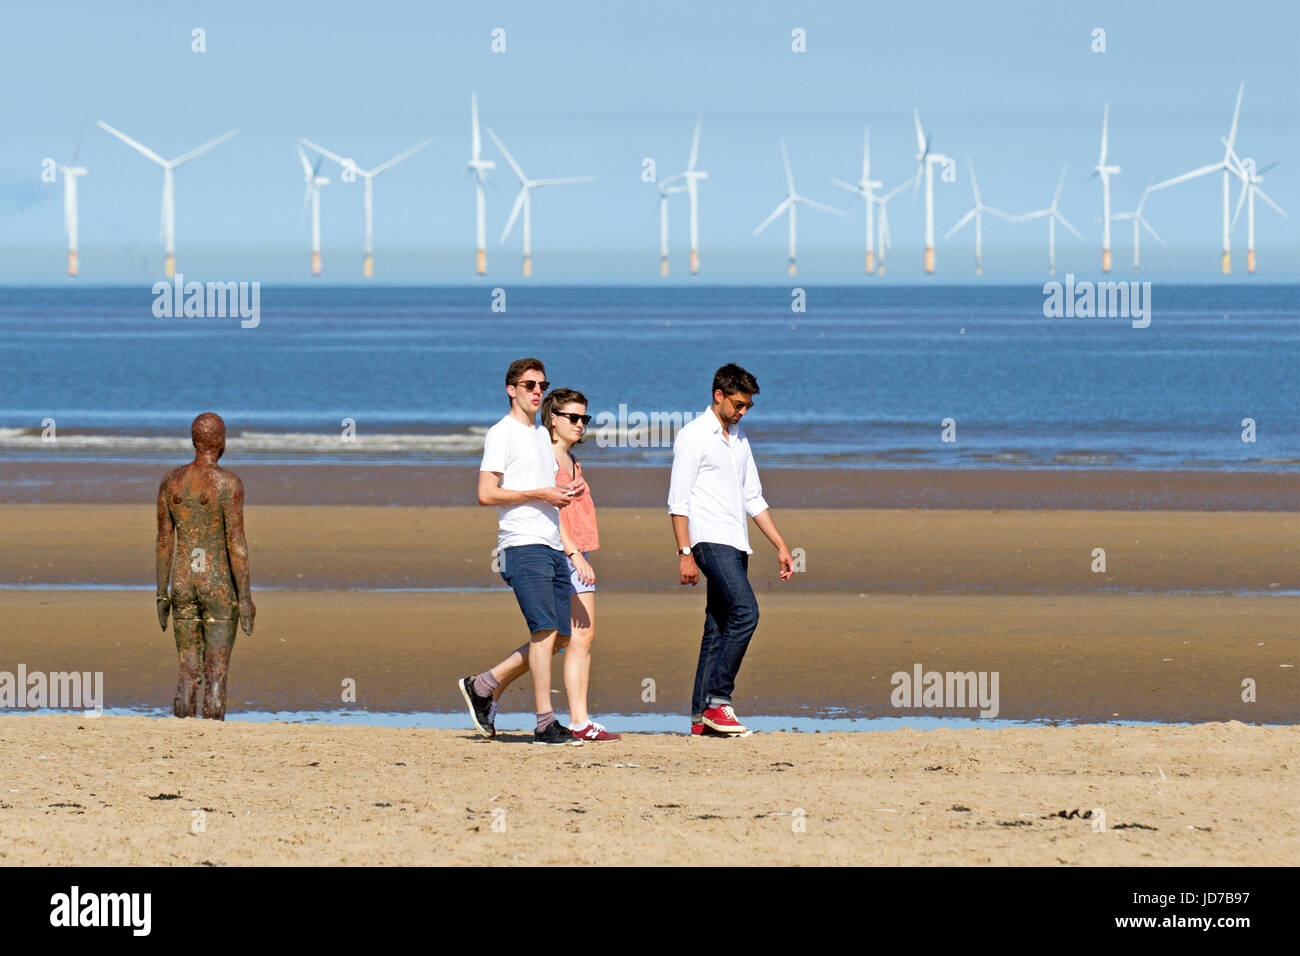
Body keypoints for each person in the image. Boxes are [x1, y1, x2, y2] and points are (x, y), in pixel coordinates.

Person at [471, 388, 620, 741]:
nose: (581, 424)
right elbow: (547, 512)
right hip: (560, 552)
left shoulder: (568, 457)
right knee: (568, 636)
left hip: (572, 551)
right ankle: (577, 720)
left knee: (564, 637)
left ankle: (486, 685)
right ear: (553, 417)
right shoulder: (547, 453)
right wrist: (574, 554)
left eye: (585, 418)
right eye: (573, 417)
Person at [458, 358, 587, 745]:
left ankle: (483, 685)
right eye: (529, 384)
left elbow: (544, 494)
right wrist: (539, 493)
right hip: (520, 544)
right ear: (511, 389)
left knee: (561, 635)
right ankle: (545, 722)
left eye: (542, 385)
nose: (537, 391)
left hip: (550, 543)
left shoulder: (538, 437)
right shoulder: (502, 433)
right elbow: (486, 493)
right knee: (545, 630)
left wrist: (563, 497)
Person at [668, 363, 793, 736]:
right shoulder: (693, 436)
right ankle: (719, 702)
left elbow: (753, 496)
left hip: (737, 542)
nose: (742, 412)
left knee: (718, 627)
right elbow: (678, 501)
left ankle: (699, 720)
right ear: (718, 395)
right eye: (738, 404)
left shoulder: (739, 438)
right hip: (707, 540)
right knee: (746, 612)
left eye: (748, 407)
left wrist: (781, 544)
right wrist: (685, 552)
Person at [155, 412, 255, 720]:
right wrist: (245, 598)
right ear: (221, 442)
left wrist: (162, 594)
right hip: (218, 585)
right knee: (216, 673)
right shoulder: (228, 484)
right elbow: (236, 545)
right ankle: (212, 735)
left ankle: (182, 730)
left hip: (183, 583)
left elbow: (164, 542)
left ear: (195, 441)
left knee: (187, 672)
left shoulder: (172, 482)